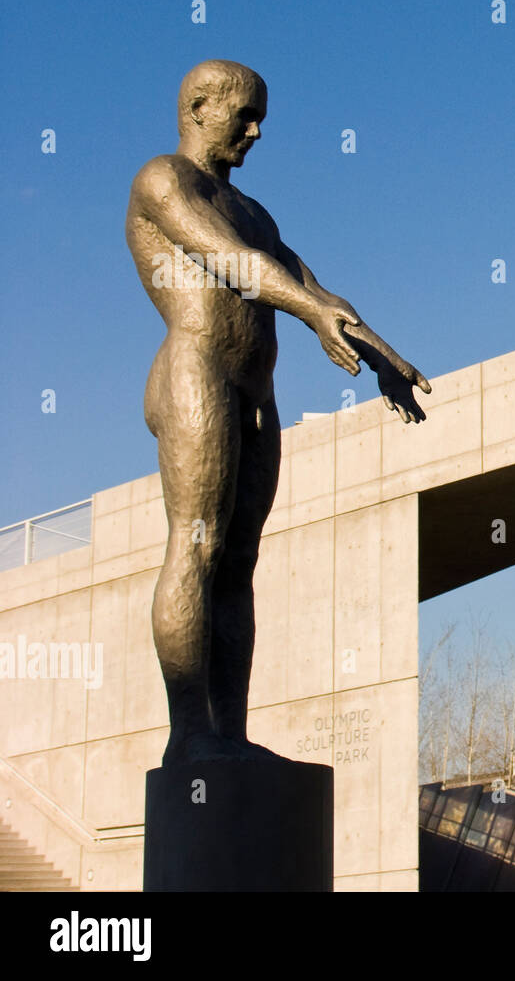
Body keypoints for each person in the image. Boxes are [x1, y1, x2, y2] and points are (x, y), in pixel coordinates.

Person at [126, 60, 431, 763]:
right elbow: (234, 264)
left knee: (238, 561)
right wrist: (314, 313)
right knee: (196, 546)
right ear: (200, 107)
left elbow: (310, 284)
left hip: (254, 391)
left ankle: (228, 736)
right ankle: (189, 736)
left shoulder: (257, 211)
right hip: (194, 372)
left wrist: (380, 352)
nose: (257, 130)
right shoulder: (161, 181)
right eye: (245, 115)